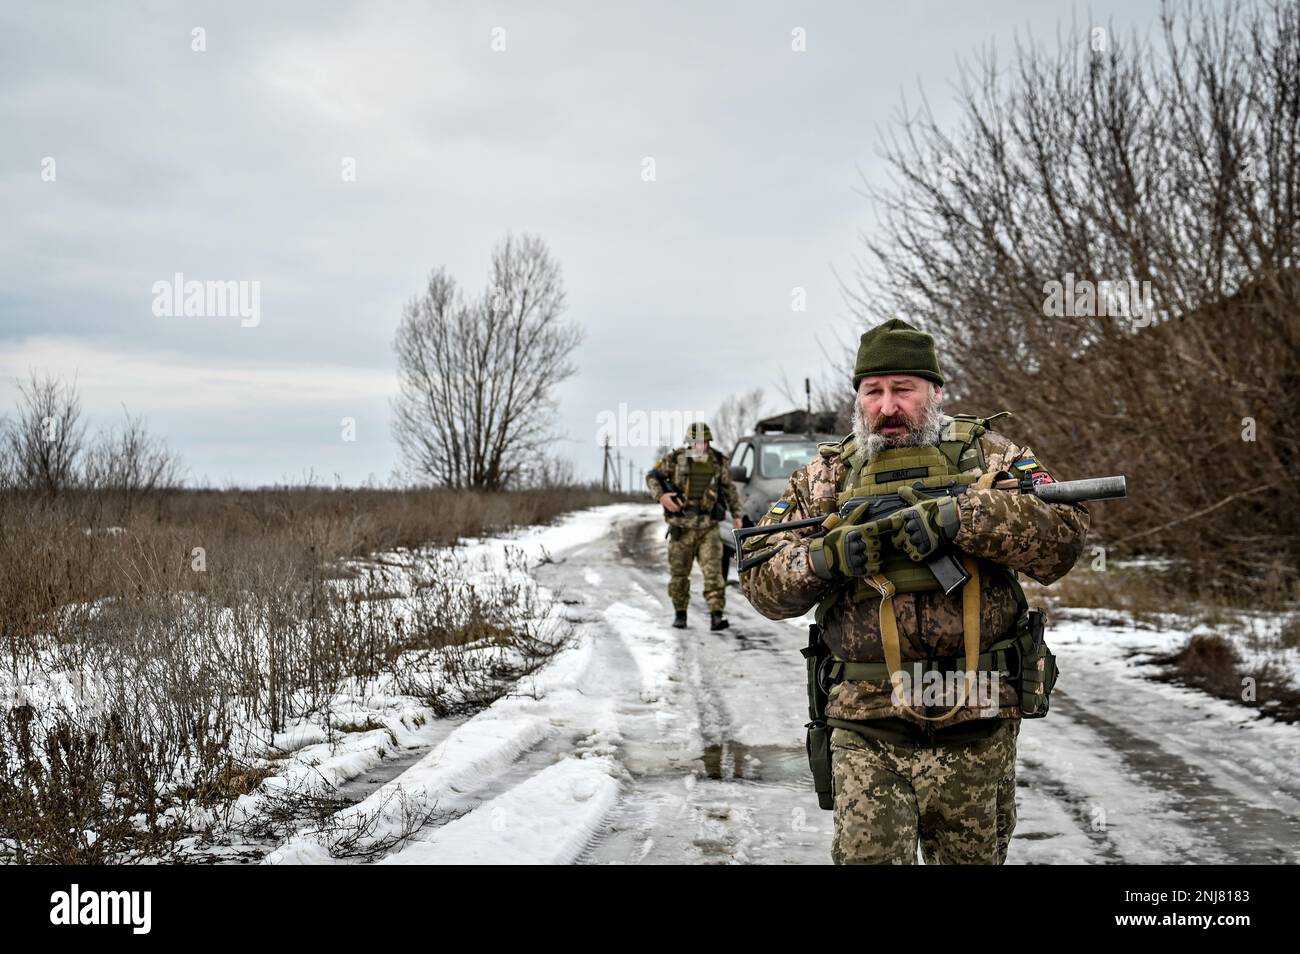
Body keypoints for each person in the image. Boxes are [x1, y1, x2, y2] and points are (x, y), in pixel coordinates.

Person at [739, 319, 1090, 864]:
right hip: (866, 724)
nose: (887, 406)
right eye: (873, 391)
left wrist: (963, 519)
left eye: (903, 389)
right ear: (857, 399)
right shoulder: (824, 478)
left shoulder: (988, 456)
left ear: (935, 392)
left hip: (975, 722)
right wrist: (825, 559)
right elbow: (763, 586)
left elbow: (1063, 539)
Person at [646, 422, 745, 631]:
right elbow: (652, 477)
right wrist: (662, 496)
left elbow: (730, 490)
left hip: (708, 527)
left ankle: (716, 615)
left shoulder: (718, 461)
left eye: (704, 442)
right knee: (679, 574)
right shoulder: (673, 460)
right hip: (681, 528)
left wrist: (738, 516)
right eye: (696, 442)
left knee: (714, 574)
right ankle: (680, 614)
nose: (701, 446)